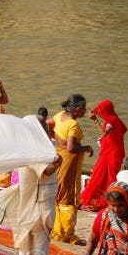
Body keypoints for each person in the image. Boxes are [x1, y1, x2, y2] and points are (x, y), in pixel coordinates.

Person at [48, 94, 93, 245]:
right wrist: (86, 147)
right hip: (68, 163)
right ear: (75, 108)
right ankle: (67, 234)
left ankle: (56, 230)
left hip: (58, 159)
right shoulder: (73, 124)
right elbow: (72, 148)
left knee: (58, 194)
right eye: (83, 107)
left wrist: (52, 142)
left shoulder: (59, 115)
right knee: (69, 197)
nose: (85, 110)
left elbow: (47, 124)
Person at [79, 99, 128, 211]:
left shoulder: (110, 122)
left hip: (109, 154)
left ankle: (100, 202)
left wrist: (95, 121)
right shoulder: (117, 120)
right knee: (107, 178)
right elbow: (123, 131)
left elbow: (104, 134)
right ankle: (106, 201)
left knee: (99, 177)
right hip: (117, 154)